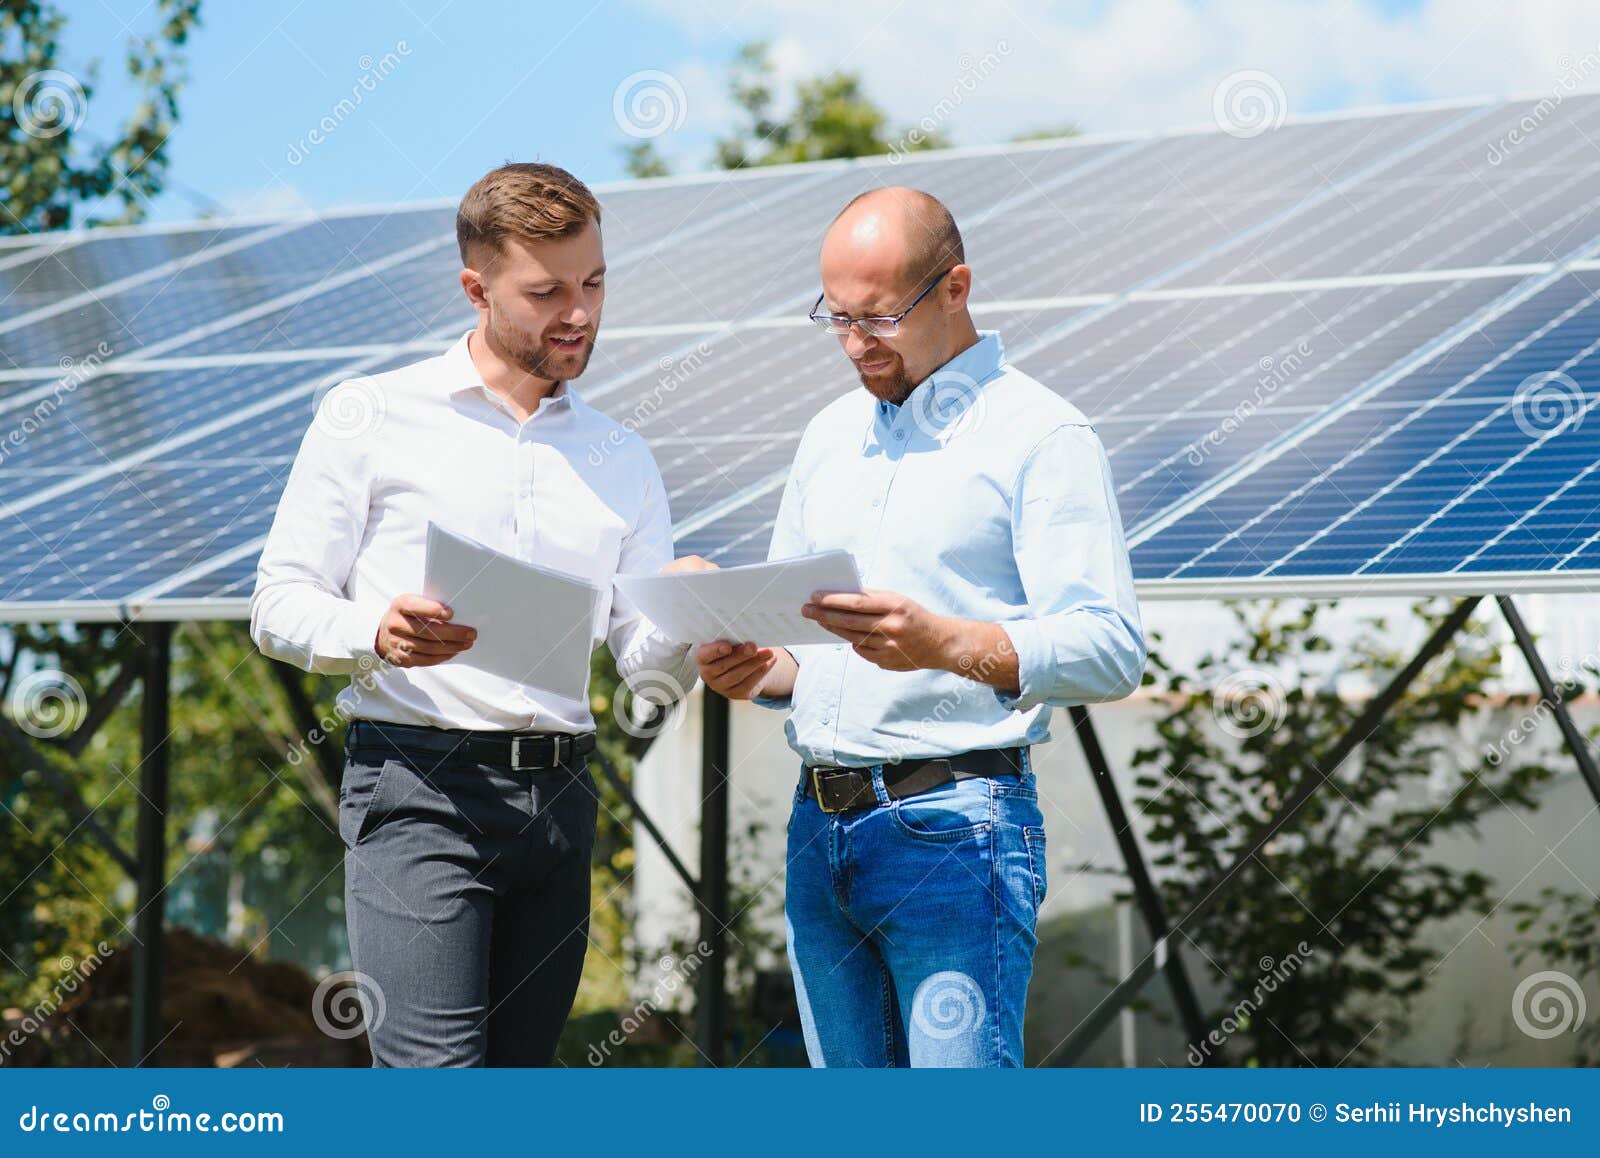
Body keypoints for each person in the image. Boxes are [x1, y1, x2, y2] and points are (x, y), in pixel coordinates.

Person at [251, 162, 702, 1067]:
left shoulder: (623, 456)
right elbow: (277, 602)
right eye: (546, 292)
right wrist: (374, 633)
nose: (579, 313)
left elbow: (642, 659)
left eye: (595, 282)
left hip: (563, 800)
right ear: (476, 287)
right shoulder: (371, 416)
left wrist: (692, 615)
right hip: (421, 790)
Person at [694, 186, 1145, 1067]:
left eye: (880, 318)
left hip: (955, 829)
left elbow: (1112, 649)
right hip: (818, 830)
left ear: (955, 288)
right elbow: (806, 646)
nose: (857, 344)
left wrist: (945, 643)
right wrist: (754, 666)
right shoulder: (829, 434)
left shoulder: (1042, 435)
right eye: (837, 318)